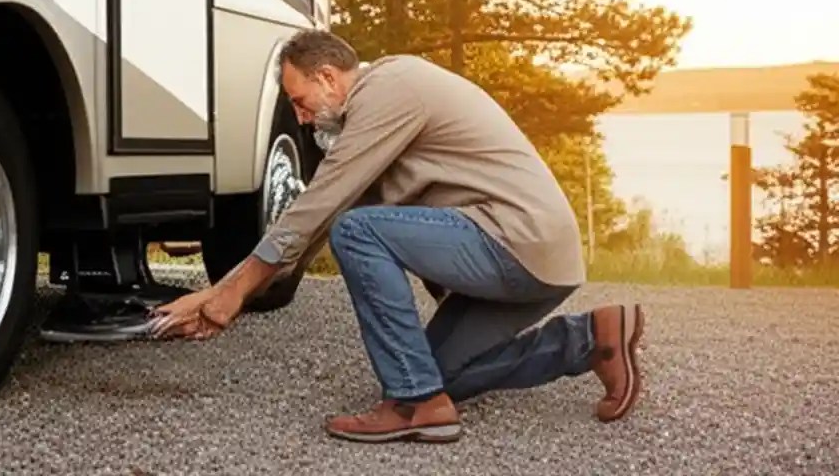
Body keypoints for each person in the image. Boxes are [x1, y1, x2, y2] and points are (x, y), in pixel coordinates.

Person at [149, 29, 645, 444]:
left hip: (515, 242)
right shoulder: (380, 110)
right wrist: (225, 292)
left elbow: (323, 203)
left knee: (358, 233)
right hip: (538, 261)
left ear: (327, 77)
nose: (299, 117)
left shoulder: (390, 89)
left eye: (298, 101)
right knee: (437, 374)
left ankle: (413, 404)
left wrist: (231, 292)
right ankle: (592, 340)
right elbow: (318, 220)